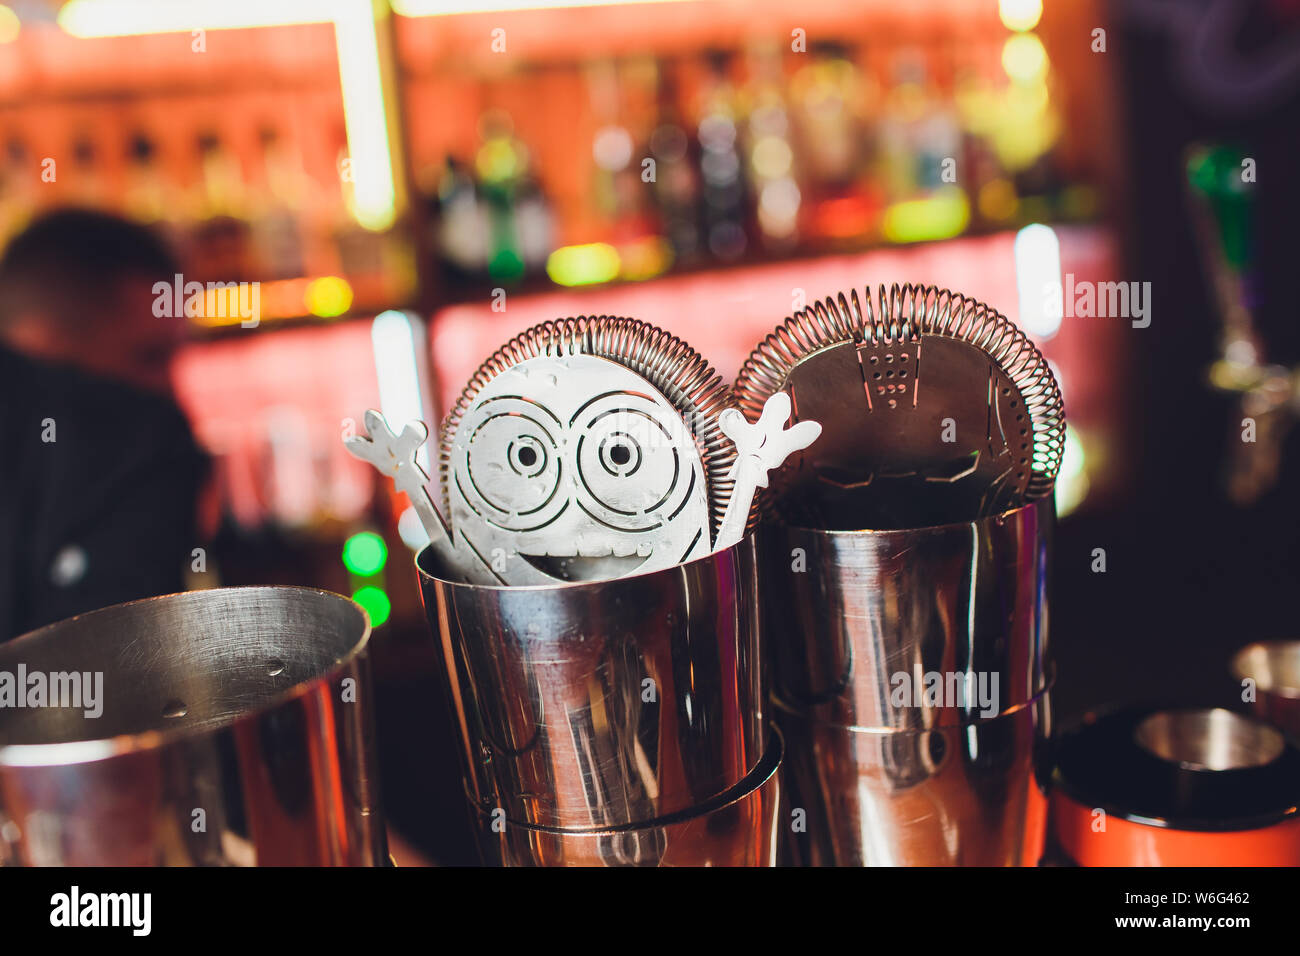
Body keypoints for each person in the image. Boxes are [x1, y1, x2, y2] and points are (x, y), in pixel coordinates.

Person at [0, 209, 208, 640]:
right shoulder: (140, 441)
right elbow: (125, 681)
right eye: (148, 357)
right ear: (43, 341)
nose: (171, 390)